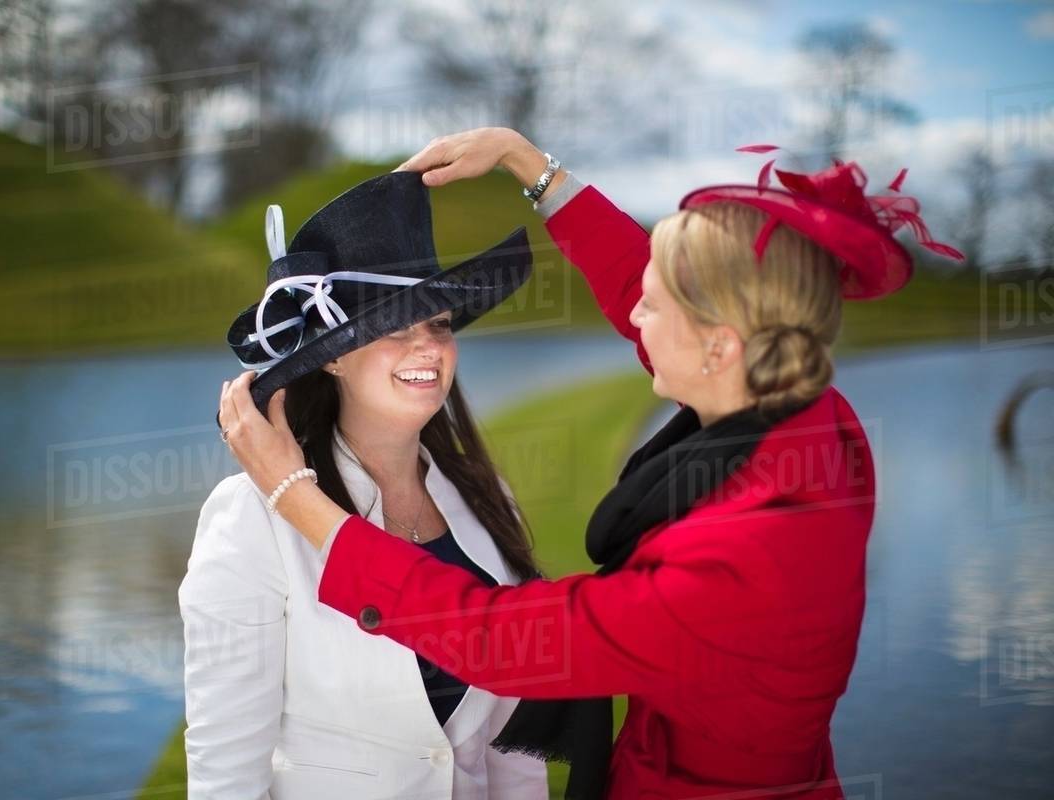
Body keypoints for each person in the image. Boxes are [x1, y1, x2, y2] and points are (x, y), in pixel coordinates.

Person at [217, 128, 963, 799]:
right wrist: (526, 161)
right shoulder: (808, 413)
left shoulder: (735, 563)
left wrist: (293, 492)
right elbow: (636, 276)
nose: (631, 320)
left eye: (653, 307)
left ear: (720, 347)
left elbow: (497, 639)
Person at [181, 169, 549, 799]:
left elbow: (512, 749)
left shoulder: (486, 501)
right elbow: (225, 768)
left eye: (438, 325)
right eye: (395, 329)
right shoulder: (251, 518)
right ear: (331, 354)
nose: (427, 349)